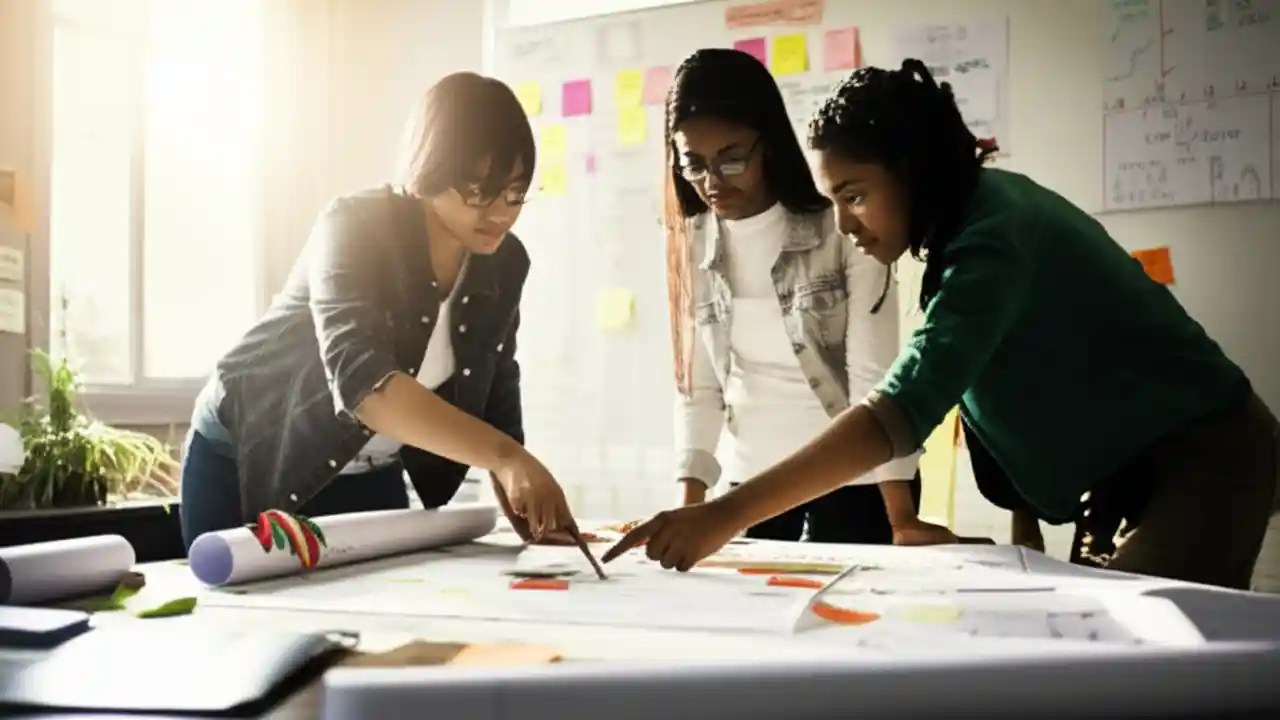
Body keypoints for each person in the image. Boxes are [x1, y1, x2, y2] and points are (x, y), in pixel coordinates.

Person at [606, 60, 1279, 590]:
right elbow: (1014, 383)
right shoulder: (968, 224)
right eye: (835, 198)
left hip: (1207, 458)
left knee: (1140, 669)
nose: (844, 223)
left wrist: (723, 516)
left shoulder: (995, 237)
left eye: (856, 195)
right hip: (1125, 477)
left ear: (914, 172)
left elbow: (897, 408)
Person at [179, 72, 578, 550]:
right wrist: (509, 458)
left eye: (514, 193)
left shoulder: (506, 262)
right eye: (479, 191)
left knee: (377, 614)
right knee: (245, 612)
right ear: (431, 166)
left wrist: (528, 506)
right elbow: (363, 385)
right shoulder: (354, 224)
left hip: (371, 465)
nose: (500, 212)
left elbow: (496, 385)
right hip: (253, 453)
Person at [660, 48, 939, 546]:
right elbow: (698, 390)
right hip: (749, 488)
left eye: (732, 159)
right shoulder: (690, 241)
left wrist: (900, 516)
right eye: (693, 164)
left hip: (856, 483)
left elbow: (876, 380)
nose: (713, 182)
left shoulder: (842, 226)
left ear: (768, 144)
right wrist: (689, 512)